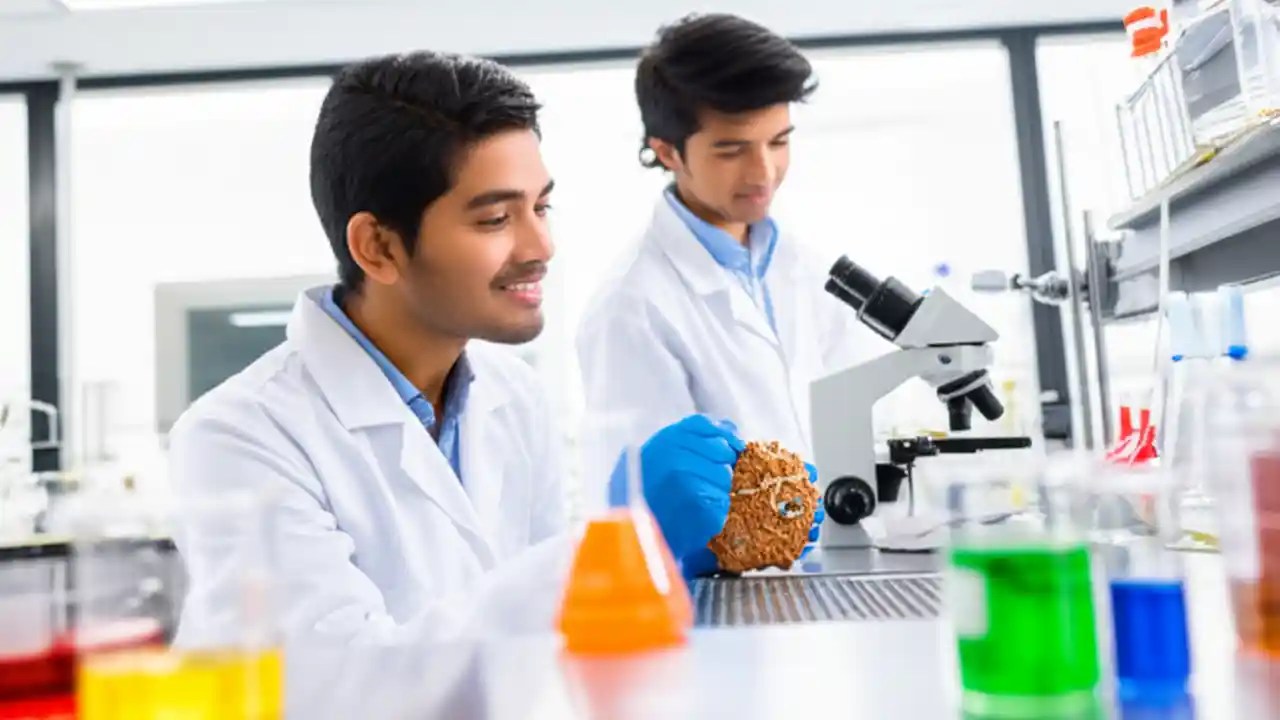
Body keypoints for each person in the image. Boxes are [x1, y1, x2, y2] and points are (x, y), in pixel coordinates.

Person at [168, 51, 744, 646]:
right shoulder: (238, 438)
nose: (541, 245)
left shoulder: (514, 396)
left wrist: (670, 566)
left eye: (541, 207)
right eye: (496, 218)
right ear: (379, 248)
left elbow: (542, 639)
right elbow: (336, 685)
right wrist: (613, 545)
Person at [578, 14, 874, 488]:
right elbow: (650, 497)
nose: (764, 172)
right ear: (669, 152)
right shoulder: (631, 308)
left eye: (778, 142)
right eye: (732, 150)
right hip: (722, 564)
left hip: (827, 553)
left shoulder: (805, 270)